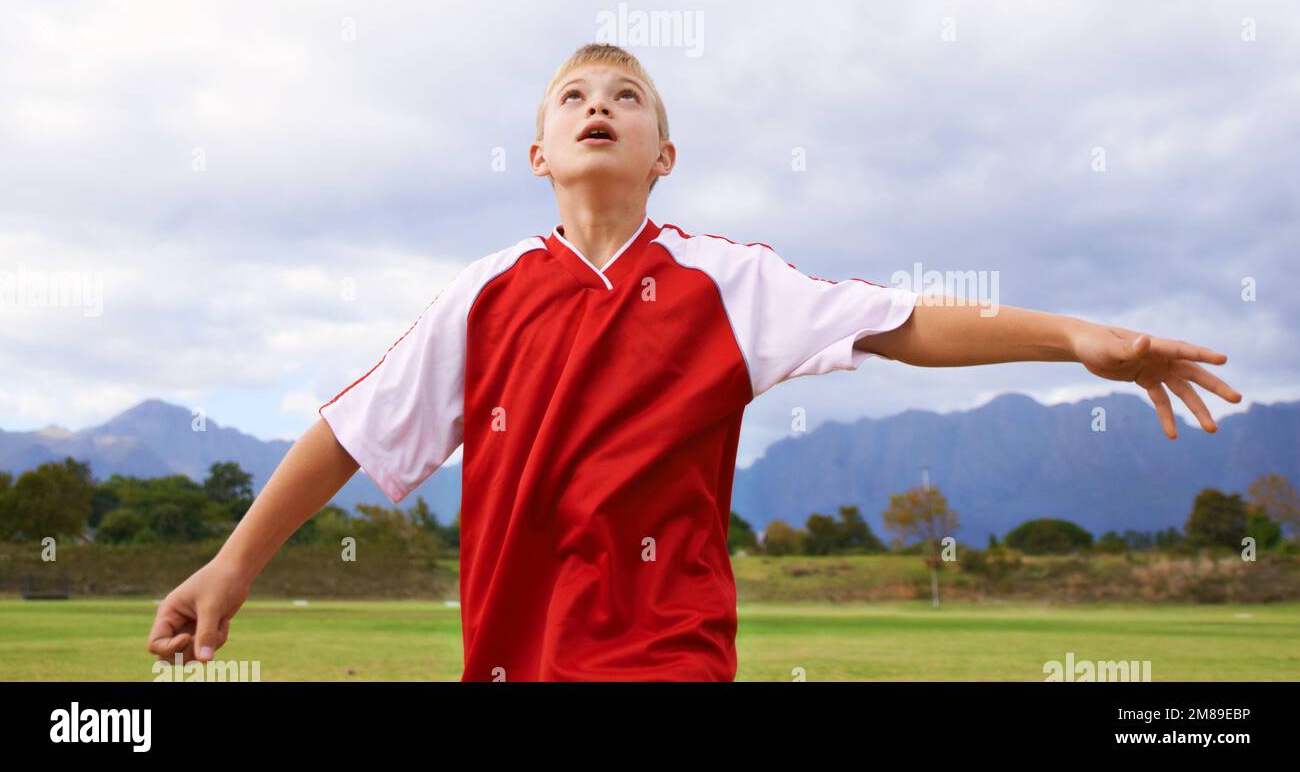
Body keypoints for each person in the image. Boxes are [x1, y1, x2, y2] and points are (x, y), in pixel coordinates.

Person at [146, 42, 1242, 681]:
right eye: (573, 96)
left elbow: (899, 321)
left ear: (662, 155)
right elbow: (350, 431)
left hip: (666, 653)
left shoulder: (729, 281)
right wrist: (233, 565)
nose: (598, 108)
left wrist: (1077, 337)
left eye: (625, 99)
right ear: (537, 154)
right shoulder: (483, 296)